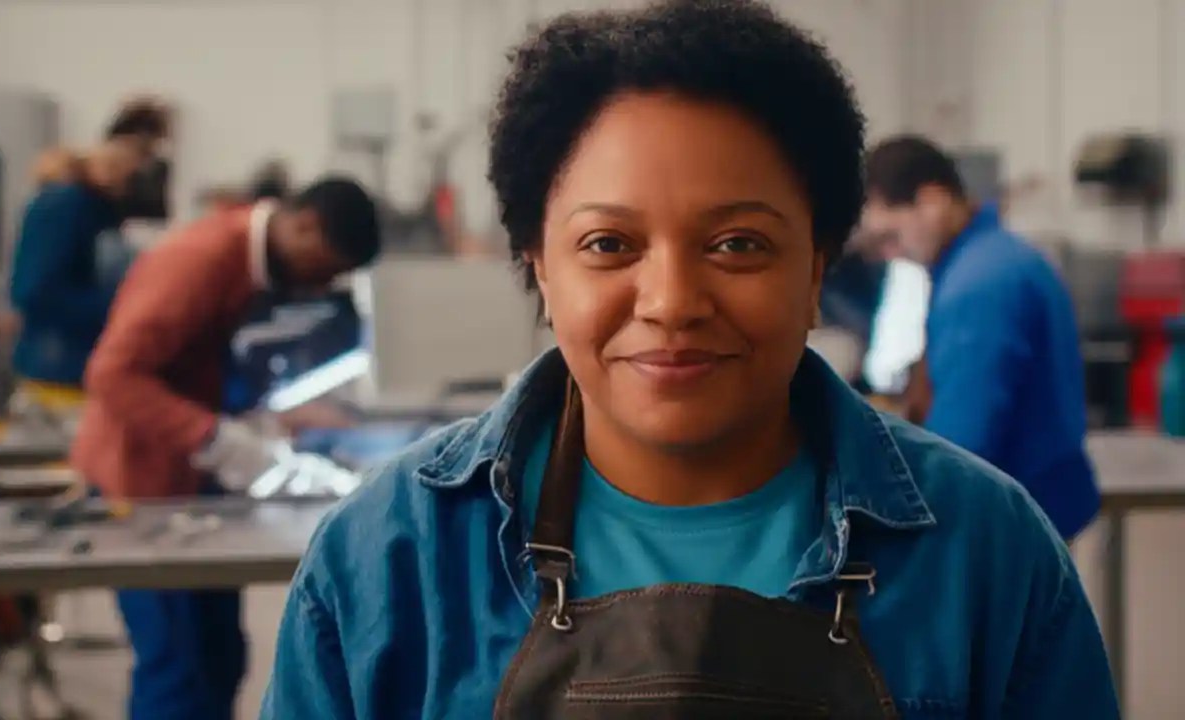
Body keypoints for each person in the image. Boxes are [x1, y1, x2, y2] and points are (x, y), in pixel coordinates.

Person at [262, 2, 1118, 718]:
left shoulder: (989, 557)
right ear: (540, 269)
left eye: (738, 243)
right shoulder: (386, 566)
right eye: (608, 243)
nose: (671, 300)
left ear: (817, 265)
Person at [71, 176, 380, 720]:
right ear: (304, 226)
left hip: (185, 481)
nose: (316, 287)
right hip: (139, 483)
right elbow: (112, 374)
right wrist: (216, 439)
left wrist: (261, 419)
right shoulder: (200, 258)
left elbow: (195, 363)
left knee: (219, 656)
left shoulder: (246, 262)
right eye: (323, 269)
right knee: (178, 669)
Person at [860, 136, 1101, 542]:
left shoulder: (979, 285)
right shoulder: (1002, 256)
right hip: (1039, 500)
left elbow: (962, 446)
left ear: (932, 202)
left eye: (892, 236)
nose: (890, 253)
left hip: (1009, 522)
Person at [9, 139, 143, 388]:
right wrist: (124, 306)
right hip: (61, 363)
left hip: (63, 359)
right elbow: (37, 292)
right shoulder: (69, 206)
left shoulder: (89, 210)